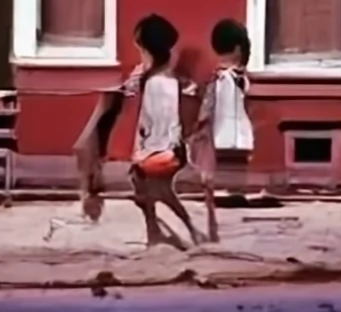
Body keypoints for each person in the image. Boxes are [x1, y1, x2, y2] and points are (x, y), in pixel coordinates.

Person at [73, 13, 203, 248]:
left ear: (148, 50)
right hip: (164, 149)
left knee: (152, 191)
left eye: (141, 50)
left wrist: (143, 156)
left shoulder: (158, 83)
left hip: (163, 151)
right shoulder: (157, 78)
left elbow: (161, 124)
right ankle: (165, 232)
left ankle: (177, 232)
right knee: (152, 193)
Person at [189, 18, 254, 242]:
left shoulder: (222, 77)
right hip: (234, 133)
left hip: (222, 132)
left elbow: (209, 105)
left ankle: (221, 207)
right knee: (233, 172)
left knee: (221, 173)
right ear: (238, 48)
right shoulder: (233, 77)